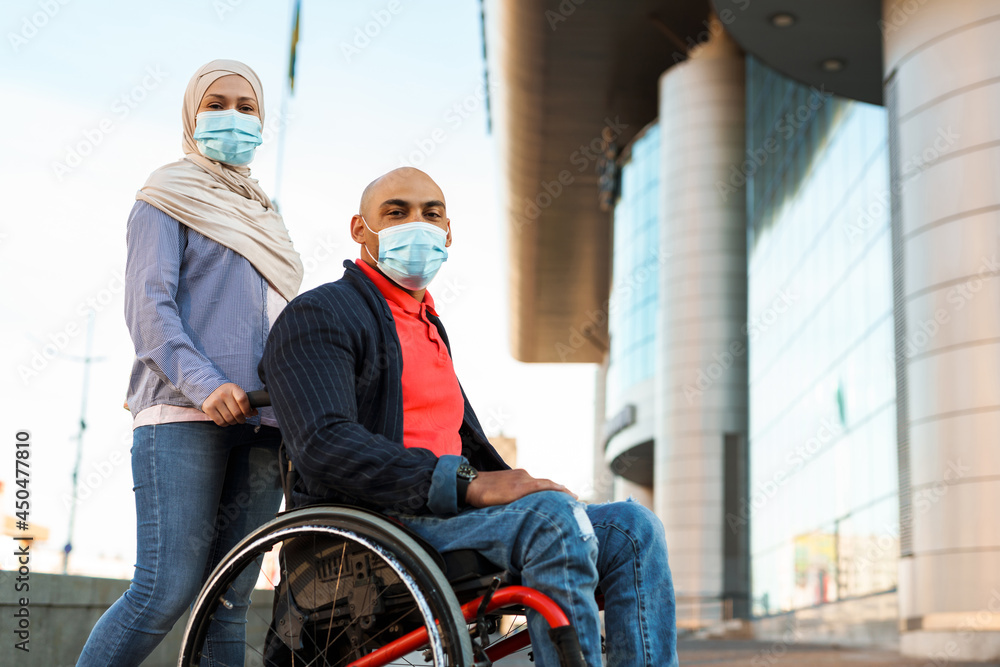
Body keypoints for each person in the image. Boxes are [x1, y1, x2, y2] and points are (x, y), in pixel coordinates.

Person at [259, 167, 677, 666]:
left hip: (450, 522)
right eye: (396, 212)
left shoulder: (428, 327)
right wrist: (466, 483)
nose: (417, 224)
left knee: (633, 527)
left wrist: (519, 483)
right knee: (551, 521)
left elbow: (462, 444)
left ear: (449, 232)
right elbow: (324, 444)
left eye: (431, 213)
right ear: (359, 229)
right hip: (374, 531)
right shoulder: (321, 313)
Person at [77, 60, 302, 667]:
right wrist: (207, 385)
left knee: (227, 608)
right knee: (162, 591)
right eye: (217, 102)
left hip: (262, 422)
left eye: (247, 106)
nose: (233, 115)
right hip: (182, 413)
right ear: (191, 114)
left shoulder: (265, 213)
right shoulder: (165, 195)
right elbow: (149, 309)